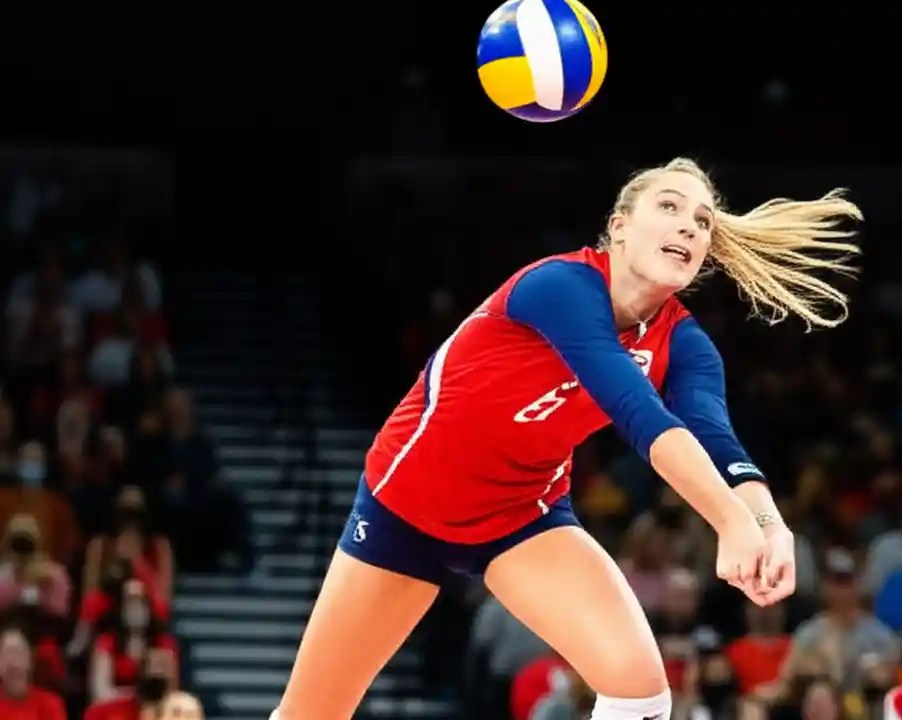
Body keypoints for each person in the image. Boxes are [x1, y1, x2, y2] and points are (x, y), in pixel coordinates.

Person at [273, 157, 863, 720]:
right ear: (619, 228)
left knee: (640, 694)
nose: (689, 224)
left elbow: (715, 438)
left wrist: (768, 523)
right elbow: (637, 412)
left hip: (520, 518)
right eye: (670, 206)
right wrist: (729, 523)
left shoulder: (684, 345)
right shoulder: (560, 286)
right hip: (405, 509)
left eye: (703, 220)